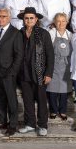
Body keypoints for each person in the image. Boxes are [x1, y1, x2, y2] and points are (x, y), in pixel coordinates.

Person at [16, 7, 54, 136]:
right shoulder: (20, 33)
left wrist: (48, 73)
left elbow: (50, 55)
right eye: (26, 18)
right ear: (23, 20)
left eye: (31, 18)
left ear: (36, 19)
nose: (29, 20)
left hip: (39, 73)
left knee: (42, 101)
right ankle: (30, 124)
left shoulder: (44, 33)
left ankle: (42, 125)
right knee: (27, 100)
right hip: (24, 73)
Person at [0, 8, 23, 136]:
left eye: (4, 16)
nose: (1, 18)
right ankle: (2, 121)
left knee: (11, 100)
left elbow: (19, 55)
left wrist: (12, 72)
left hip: (8, 73)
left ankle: (13, 125)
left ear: (9, 18)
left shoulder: (16, 33)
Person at [47, 12, 73, 123]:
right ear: (54, 22)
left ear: (67, 22)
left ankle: (63, 111)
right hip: (53, 64)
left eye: (63, 21)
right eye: (58, 21)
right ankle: (53, 110)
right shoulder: (51, 33)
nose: (61, 23)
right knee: (52, 89)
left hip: (66, 65)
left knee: (64, 90)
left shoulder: (70, 35)